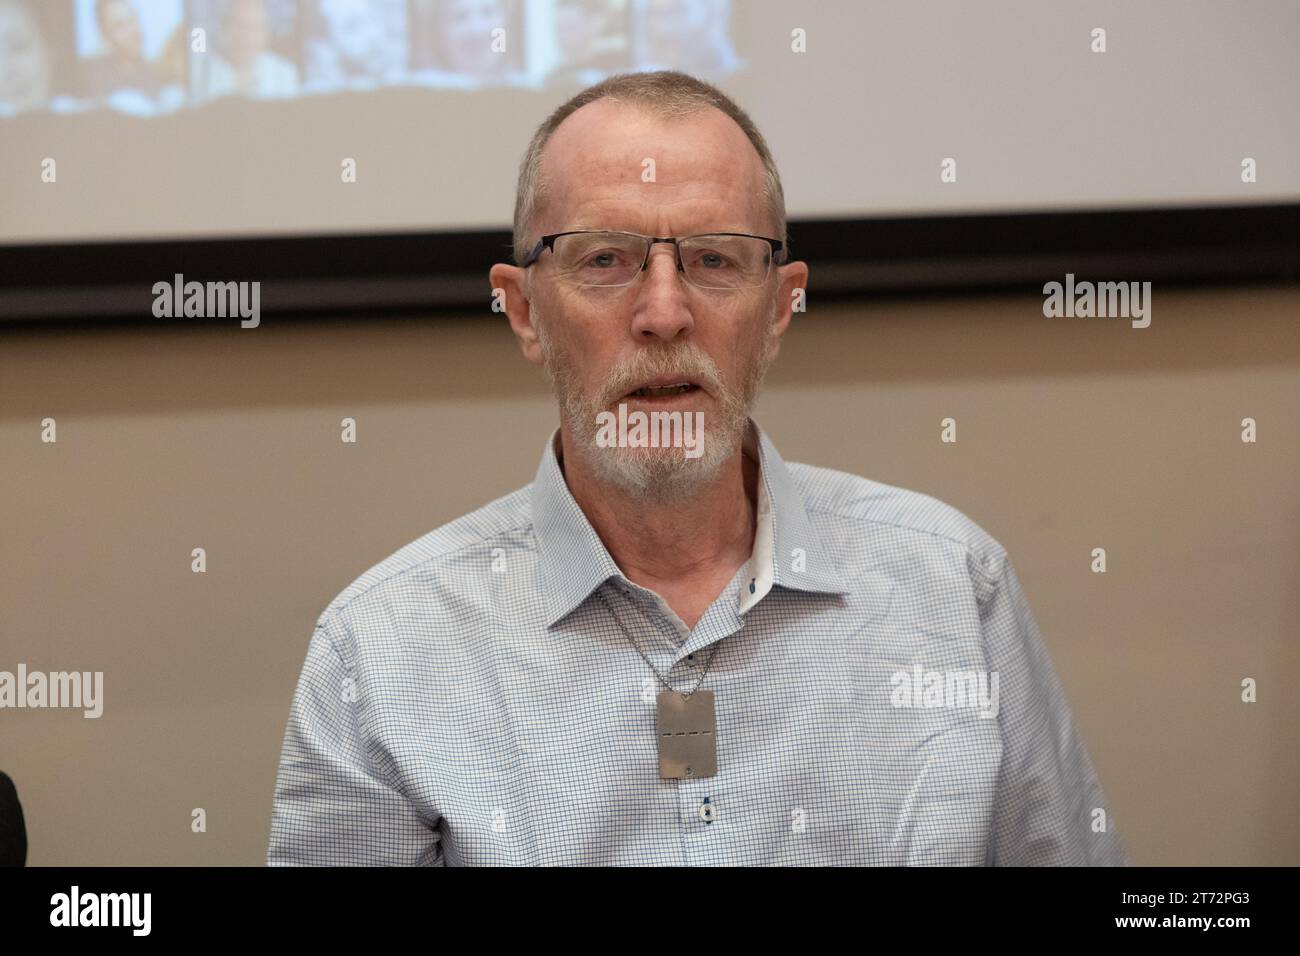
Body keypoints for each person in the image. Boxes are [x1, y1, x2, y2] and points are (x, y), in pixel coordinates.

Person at [268, 69, 1129, 866]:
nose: (665, 312)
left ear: (781, 307)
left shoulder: (952, 585)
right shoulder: (382, 650)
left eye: (715, 260)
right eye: (605, 259)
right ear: (524, 311)